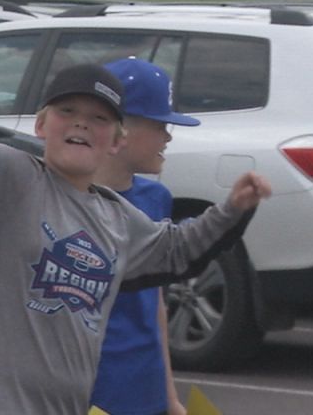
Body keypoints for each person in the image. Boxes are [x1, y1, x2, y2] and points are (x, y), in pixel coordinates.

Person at [0, 0, 271, 415]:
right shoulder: (10, 179)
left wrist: (234, 207)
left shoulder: (117, 218)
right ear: (40, 125)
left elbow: (177, 252)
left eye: (99, 118)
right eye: (67, 111)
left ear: (116, 140)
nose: (81, 123)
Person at [90, 58, 199, 415]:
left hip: (145, 388)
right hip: (90, 384)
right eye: (159, 125)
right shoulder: (66, 200)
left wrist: (170, 397)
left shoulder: (156, 199)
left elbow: (155, 306)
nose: (168, 136)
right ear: (121, 130)